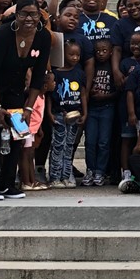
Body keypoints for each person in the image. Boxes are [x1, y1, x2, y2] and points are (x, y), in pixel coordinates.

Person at [0, 0, 52, 201]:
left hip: (16, 87)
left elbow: (38, 76)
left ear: (40, 16)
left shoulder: (43, 37)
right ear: (16, 15)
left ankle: (7, 184)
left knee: (18, 131)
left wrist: (28, 108)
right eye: (24, 14)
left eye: (33, 14)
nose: (29, 18)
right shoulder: (2, 35)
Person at [48, 40, 87, 188]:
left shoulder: (80, 73)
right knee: (58, 145)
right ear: (63, 55)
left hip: (75, 114)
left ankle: (66, 175)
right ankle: (54, 176)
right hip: (59, 114)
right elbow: (50, 95)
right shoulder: (56, 73)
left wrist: (85, 112)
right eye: (71, 54)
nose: (75, 58)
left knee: (69, 145)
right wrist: (49, 113)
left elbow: (83, 94)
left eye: (78, 55)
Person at [82, 39, 117, 186]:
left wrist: (105, 96)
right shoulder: (91, 66)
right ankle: (90, 169)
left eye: (104, 51)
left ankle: (100, 171)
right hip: (92, 108)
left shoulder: (113, 68)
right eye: (98, 51)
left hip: (107, 107)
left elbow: (118, 92)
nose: (101, 54)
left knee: (103, 142)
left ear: (110, 52)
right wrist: (90, 93)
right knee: (90, 141)